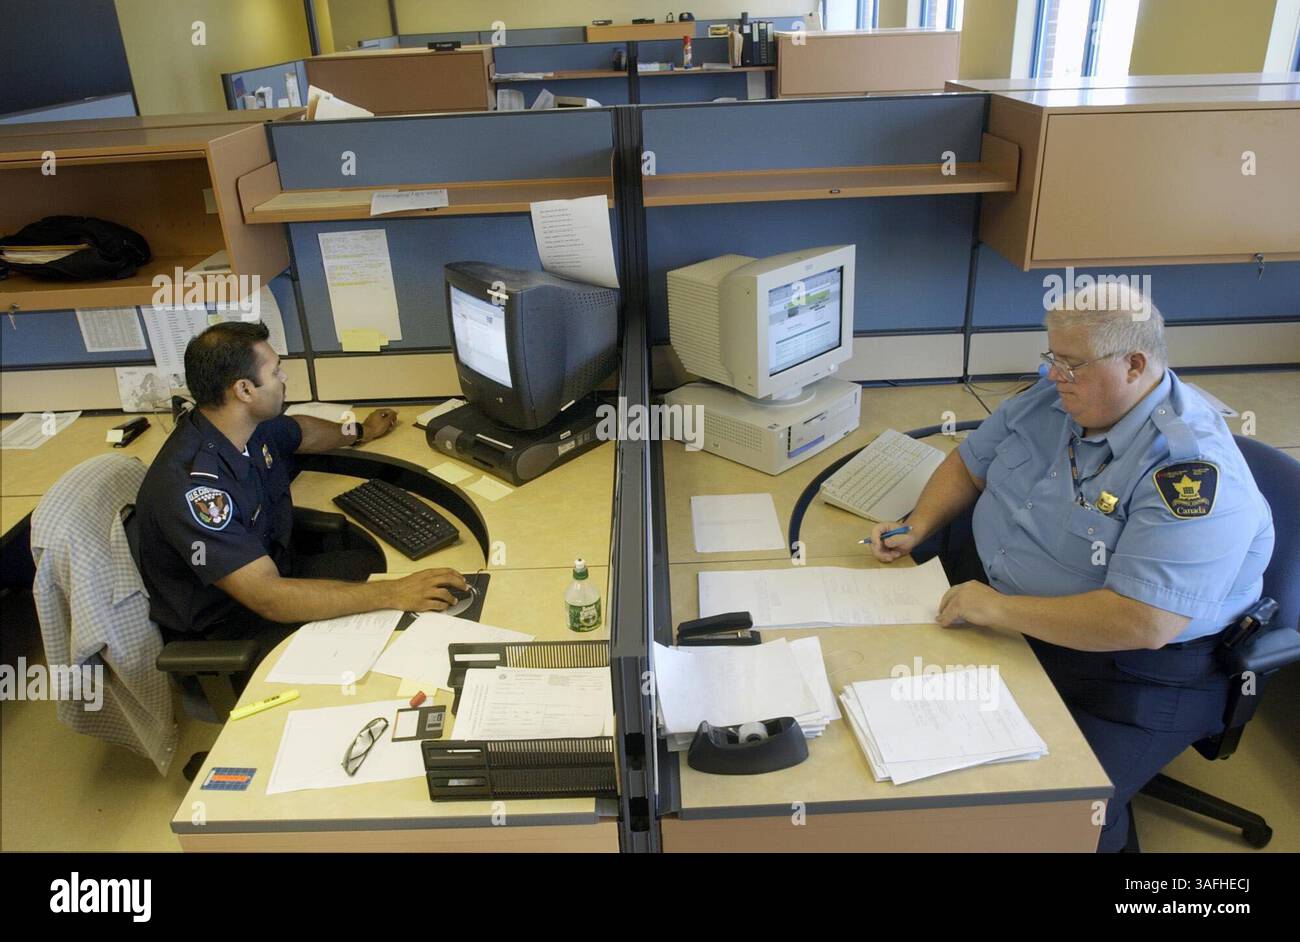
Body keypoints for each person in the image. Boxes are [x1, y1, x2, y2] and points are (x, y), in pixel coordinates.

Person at [865, 286, 1274, 852]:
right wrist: (921, 523)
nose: (1054, 375)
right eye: (1052, 357)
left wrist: (1000, 608)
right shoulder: (1061, 397)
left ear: (1134, 364)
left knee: (1060, 809)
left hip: (1128, 668)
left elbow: (1145, 622)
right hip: (1008, 613)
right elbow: (972, 461)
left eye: (1071, 363)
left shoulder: (1191, 473)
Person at [135, 321, 467, 652]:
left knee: (375, 568)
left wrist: (361, 431)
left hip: (278, 570)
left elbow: (301, 431)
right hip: (234, 623)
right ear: (244, 390)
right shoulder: (195, 490)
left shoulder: (242, 425)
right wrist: (394, 593)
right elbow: (268, 598)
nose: (284, 379)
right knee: (396, 630)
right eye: (276, 372)